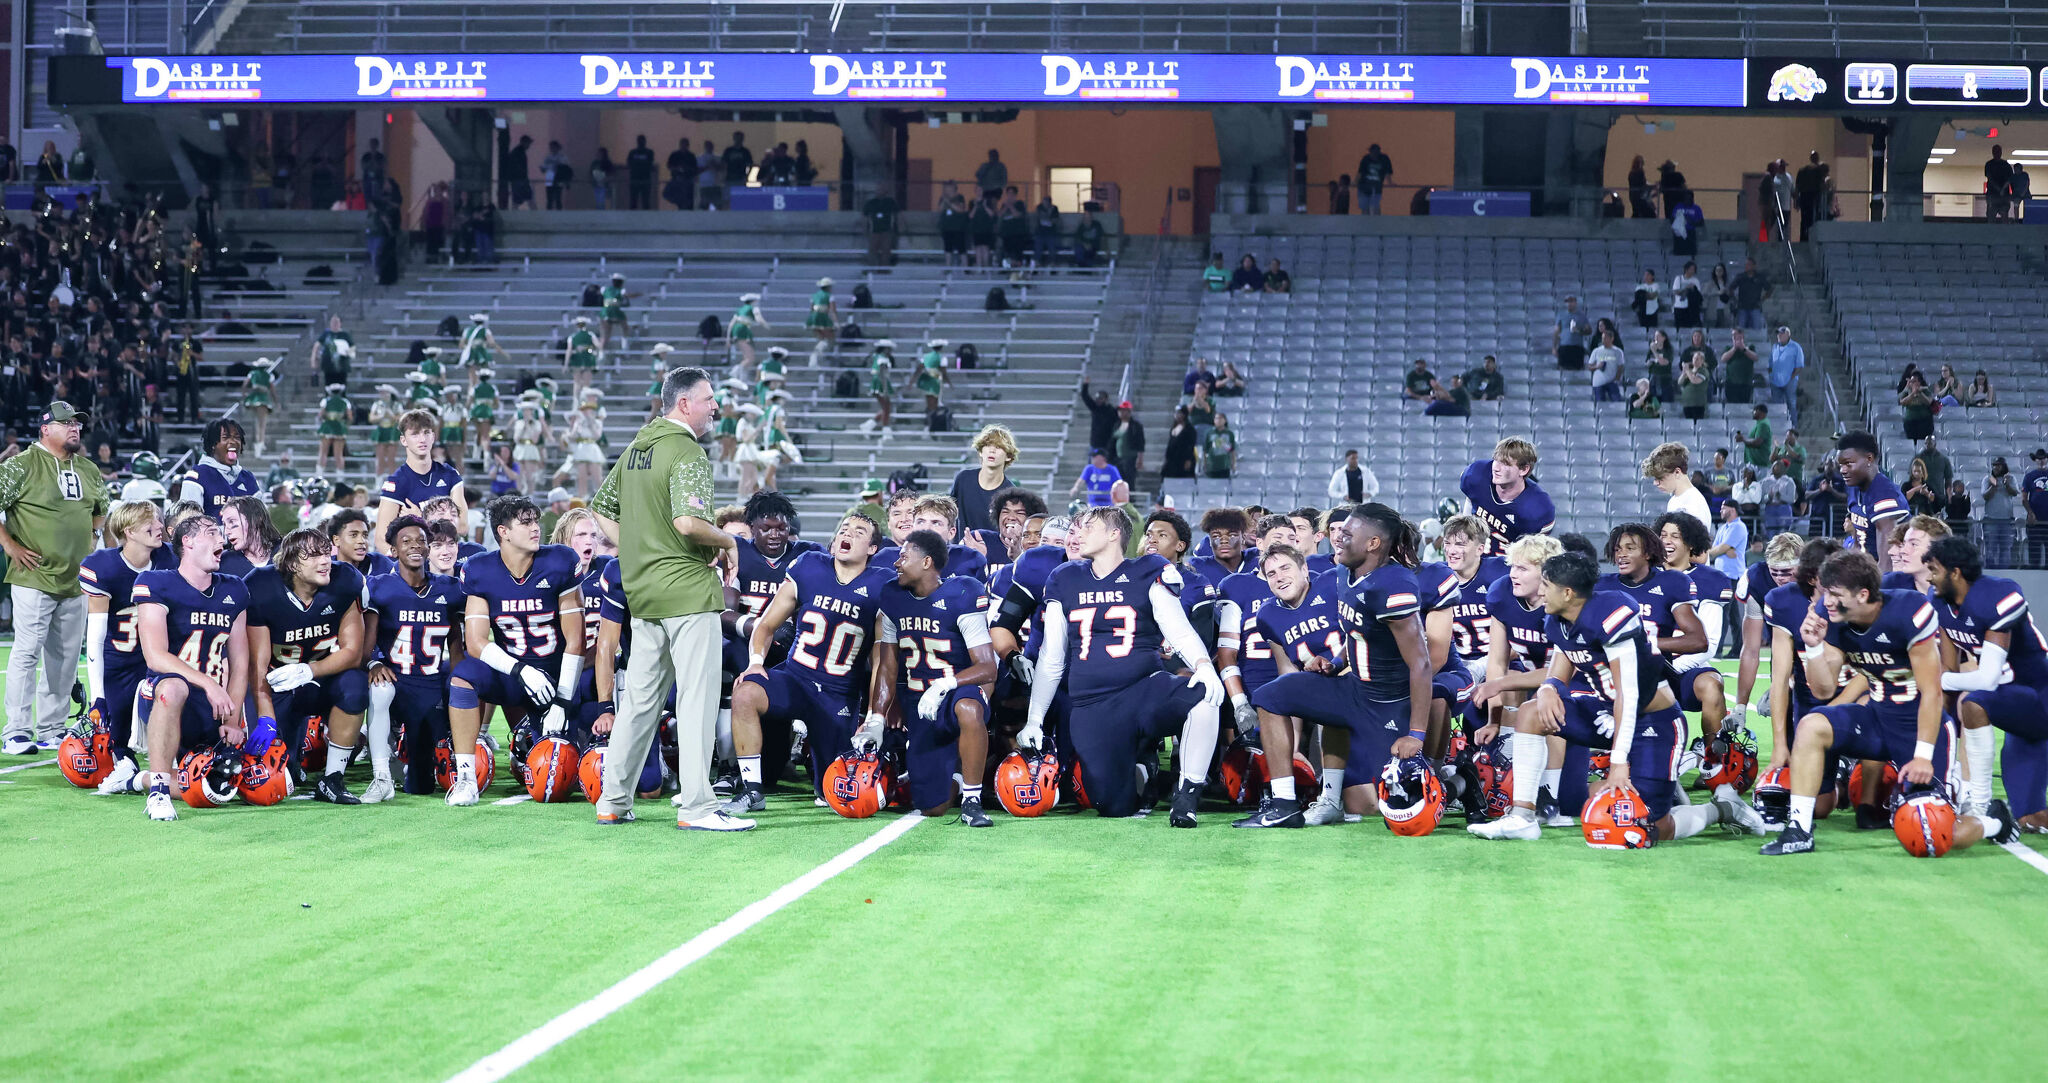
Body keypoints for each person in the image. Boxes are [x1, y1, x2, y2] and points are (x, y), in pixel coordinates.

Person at [1472, 550, 1759, 843]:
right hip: (1607, 711)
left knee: (1653, 828)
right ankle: (1522, 818)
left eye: (1547, 585)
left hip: (1653, 723)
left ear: (1568, 593)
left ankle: (1722, 809)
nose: (1541, 592)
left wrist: (1619, 762)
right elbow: (1558, 674)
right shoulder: (1556, 619)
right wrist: (1547, 690)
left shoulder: (1611, 613)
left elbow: (1628, 693)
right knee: (1532, 712)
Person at [1761, 549, 2015, 854]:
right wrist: (1813, 649)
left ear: (1863, 594)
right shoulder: (1835, 617)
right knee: (1811, 724)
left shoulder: (1907, 610)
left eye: (1835, 594)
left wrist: (1922, 755)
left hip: (1918, 727)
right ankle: (1799, 829)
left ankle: (1994, 821)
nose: (1826, 601)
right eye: (1825, 592)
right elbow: (1823, 690)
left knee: (1933, 838)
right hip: (1877, 717)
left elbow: (1932, 690)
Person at [588, 367, 748, 830]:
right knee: (696, 701)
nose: (715, 407)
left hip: (644, 592)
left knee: (639, 702)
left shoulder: (639, 445)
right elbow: (687, 523)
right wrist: (729, 542)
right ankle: (698, 807)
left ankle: (612, 800)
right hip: (686, 589)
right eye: (709, 399)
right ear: (684, 404)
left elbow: (601, 508)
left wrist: (639, 553)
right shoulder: (687, 451)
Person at [1021, 506, 1224, 825]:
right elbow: (1051, 657)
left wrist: (1203, 666)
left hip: (1144, 689)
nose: (1080, 532)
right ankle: (1144, 769)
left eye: (1089, 525)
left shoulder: (1149, 569)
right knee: (1111, 805)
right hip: (1091, 705)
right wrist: (1034, 720)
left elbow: (1178, 628)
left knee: (1205, 698)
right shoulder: (1065, 577)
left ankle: (1186, 795)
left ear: (1114, 534)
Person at [722, 512, 891, 816]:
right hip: (796, 678)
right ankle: (752, 790)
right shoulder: (809, 567)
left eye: (859, 532)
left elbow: (881, 659)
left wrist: (873, 713)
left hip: (838, 694)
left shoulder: (881, 585)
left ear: (872, 549)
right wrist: (756, 662)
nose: (847, 534)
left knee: (836, 796)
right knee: (745, 692)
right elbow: (765, 625)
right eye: (844, 529)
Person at [443, 495, 586, 808]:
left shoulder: (559, 560)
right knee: (463, 676)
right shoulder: (480, 569)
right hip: (513, 674)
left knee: (559, 782)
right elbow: (476, 642)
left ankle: (529, 744)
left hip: (555, 678)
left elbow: (576, 639)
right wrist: (520, 670)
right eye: (526, 523)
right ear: (503, 532)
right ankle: (466, 778)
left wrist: (562, 698)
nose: (536, 528)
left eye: (535, 521)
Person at [0, 402, 110, 755]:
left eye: (77, 423)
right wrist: (10, 546)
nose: (75, 428)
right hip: (33, 575)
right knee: (27, 651)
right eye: (66, 423)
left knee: (64, 658)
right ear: (45, 428)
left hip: (76, 578)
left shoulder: (90, 469)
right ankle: (16, 729)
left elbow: (100, 513)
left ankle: (51, 726)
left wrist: (92, 540)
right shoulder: (21, 464)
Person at [871, 530, 1001, 825]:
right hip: (919, 703)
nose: (897, 563)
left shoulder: (963, 592)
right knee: (933, 807)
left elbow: (987, 667)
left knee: (967, 709)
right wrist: (877, 717)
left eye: (904, 556)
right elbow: (888, 666)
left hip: (957, 690)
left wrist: (945, 684)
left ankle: (972, 800)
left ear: (927, 561)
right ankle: (956, 774)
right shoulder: (894, 596)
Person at [132, 515, 252, 820]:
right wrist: (209, 683)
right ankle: (158, 789)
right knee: (174, 686)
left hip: (214, 707)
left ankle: (139, 778)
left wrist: (234, 719)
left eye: (220, 534)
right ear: (187, 541)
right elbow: (155, 656)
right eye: (211, 533)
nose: (221, 540)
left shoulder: (234, 589)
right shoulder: (156, 582)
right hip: (164, 696)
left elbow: (240, 664)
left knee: (230, 788)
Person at [1925, 536, 2048, 830]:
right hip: (2021, 714)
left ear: (1955, 572)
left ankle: (1978, 803)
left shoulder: (1994, 594)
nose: (1929, 577)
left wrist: (1935, 680)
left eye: (1934, 570)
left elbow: (1988, 678)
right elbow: (1949, 673)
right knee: (2030, 819)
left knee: (1975, 701)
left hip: (2040, 695)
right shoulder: (1941, 605)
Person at [244, 528, 369, 802]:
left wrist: (308, 671)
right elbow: (257, 667)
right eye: (313, 555)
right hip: (275, 685)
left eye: (326, 553)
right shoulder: (262, 587)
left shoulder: (345, 581)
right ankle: (290, 758)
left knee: (355, 684)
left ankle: (333, 778)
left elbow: (352, 652)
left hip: (318, 679)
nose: (325, 561)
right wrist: (265, 718)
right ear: (291, 563)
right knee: (269, 777)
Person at [362, 515, 466, 796]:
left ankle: (408, 755)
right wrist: (372, 662)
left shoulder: (449, 589)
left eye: (421, 540)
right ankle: (382, 770)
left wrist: (460, 678)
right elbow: (365, 641)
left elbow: (456, 640)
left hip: (432, 683)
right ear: (393, 550)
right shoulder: (379, 586)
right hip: (397, 680)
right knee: (378, 692)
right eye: (406, 541)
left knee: (421, 785)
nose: (415, 546)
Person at [79, 501, 173, 791]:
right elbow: (94, 636)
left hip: (159, 657)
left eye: (159, 520)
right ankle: (126, 767)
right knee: (118, 735)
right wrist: (98, 698)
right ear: (129, 531)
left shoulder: (169, 558)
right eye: (150, 523)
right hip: (120, 658)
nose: (159, 527)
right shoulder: (103, 567)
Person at [373, 408, 466, 553]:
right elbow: (380, 539)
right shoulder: (396, 483)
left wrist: (420, 518)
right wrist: (404, 563)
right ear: (404, 440)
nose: (422, 439)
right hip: (414, 560)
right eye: (415, 434)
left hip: (446, 557)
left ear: (433, 436)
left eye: (426, 432)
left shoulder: (450, 475)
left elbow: (463, 527)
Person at [1459, 437, 1554, 556]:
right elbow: (1470, 499)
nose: (1496, 468)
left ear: (1524, 470)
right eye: (1496, 460)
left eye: (1505, 464)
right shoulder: (1478, 475)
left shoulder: (1536, 508)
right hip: (1473, 559)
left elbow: (1531, 556)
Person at [1835, 430, 1907, 570]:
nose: (1843, 470)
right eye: (1841, 465)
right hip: (1867, 568)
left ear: (1869, 459)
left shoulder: (1884, 493)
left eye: (1848, 464)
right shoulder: (1855, 486)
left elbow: (1887, 562)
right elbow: (1858, 538)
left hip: (1891, 575)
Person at [175, 418, 262, 518]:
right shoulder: (198, 476)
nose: (233, 441)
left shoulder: (248, 478)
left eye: (237, 438)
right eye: (226, 438)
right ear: (213, 444)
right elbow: (188, 522)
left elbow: (261, 521)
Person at [948, 425, 1018, 538]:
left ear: (1008, 456)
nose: (992, 450)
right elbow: (948, 514)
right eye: (987, 445)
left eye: (998, 447)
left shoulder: (1011, 494)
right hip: (961, 552)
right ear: (980, 451)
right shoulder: (963, 479)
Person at [1642, 441, 1710, 532]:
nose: (1655, 483)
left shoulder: (1694, 502)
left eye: (1660, 478)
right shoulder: (1673, 501)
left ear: (1677, 472)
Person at [1769, 325, 1804, 427]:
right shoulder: (1775, 347)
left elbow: (1799, 365)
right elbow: (1771, 363)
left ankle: (1794, 427)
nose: (1779, 336)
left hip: (1790, 381)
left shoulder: (1796, 347)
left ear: (1788, 335)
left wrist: (1791, 377)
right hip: (1775, 381)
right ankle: (1779, 427)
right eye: (1778, 334)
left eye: (1781, 334)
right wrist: (1771, 375)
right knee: (1777, 406)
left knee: (1791, 404)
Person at [1730, 259, 1769, 332]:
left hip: (1755, 307)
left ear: (1754, 266)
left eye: (1749, 265)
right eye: (1746, 265)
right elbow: (1731, 288)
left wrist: (1763, 299)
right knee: (1741, 330)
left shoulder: (1760, 277)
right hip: (1742, 307)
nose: (1747, 266)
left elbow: (1769, 288)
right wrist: (1735, 300)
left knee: (1756, 330)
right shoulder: (1740, 277)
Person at [1588, 327, 1624, 403]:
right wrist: (1597, 366)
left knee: (1617, 401)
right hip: (1598, 382)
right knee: (1600, 403)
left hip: (1612, 382)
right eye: (1602, 338)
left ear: (1612, 339)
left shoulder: (1618, 352)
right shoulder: (1596, 351)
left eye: (1605, 338)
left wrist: (1617, 379)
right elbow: (1589, 366)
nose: (1603, 340)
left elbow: (1620, 367)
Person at [1898, 371, 1935, 443]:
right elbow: (1902, 402)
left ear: (1919, 382)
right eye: (1911, 381)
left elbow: (1928, 402)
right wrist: (1912, 394)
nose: (1912, 383)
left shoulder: (1925, 390)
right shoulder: (1907, 391)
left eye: (1914, 381)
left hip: (1925, 423)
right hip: (1910, 423)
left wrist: (1919, 393)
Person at [1357, 143, 1392, 215]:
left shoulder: (1384, 159)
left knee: (1375, 207)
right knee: (1365, 209)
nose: (1373, 154)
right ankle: (1366, 223)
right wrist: (1355, 182)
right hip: (1364, 187)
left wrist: (1390, 182)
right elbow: (1360, 172)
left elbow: (1387, 172)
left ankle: (1375, 222)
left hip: (1376, 188)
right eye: (1372, 152)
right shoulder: (1366, 159)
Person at [1985, 144, 2013, 222]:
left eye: (1998, 152)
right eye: (1995, 152)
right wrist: (2001, 189)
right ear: (1992, 153)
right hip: (1993, 194)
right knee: (1991, 214)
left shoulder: (2005, 164)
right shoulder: (1989, 164)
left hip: (2002, 194)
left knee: (2003, 213)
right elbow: (1990, 178)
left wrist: (2002, 189)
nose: (1997, 153)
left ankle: (2003, 231)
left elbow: (2009, 179)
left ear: (2001, 152)